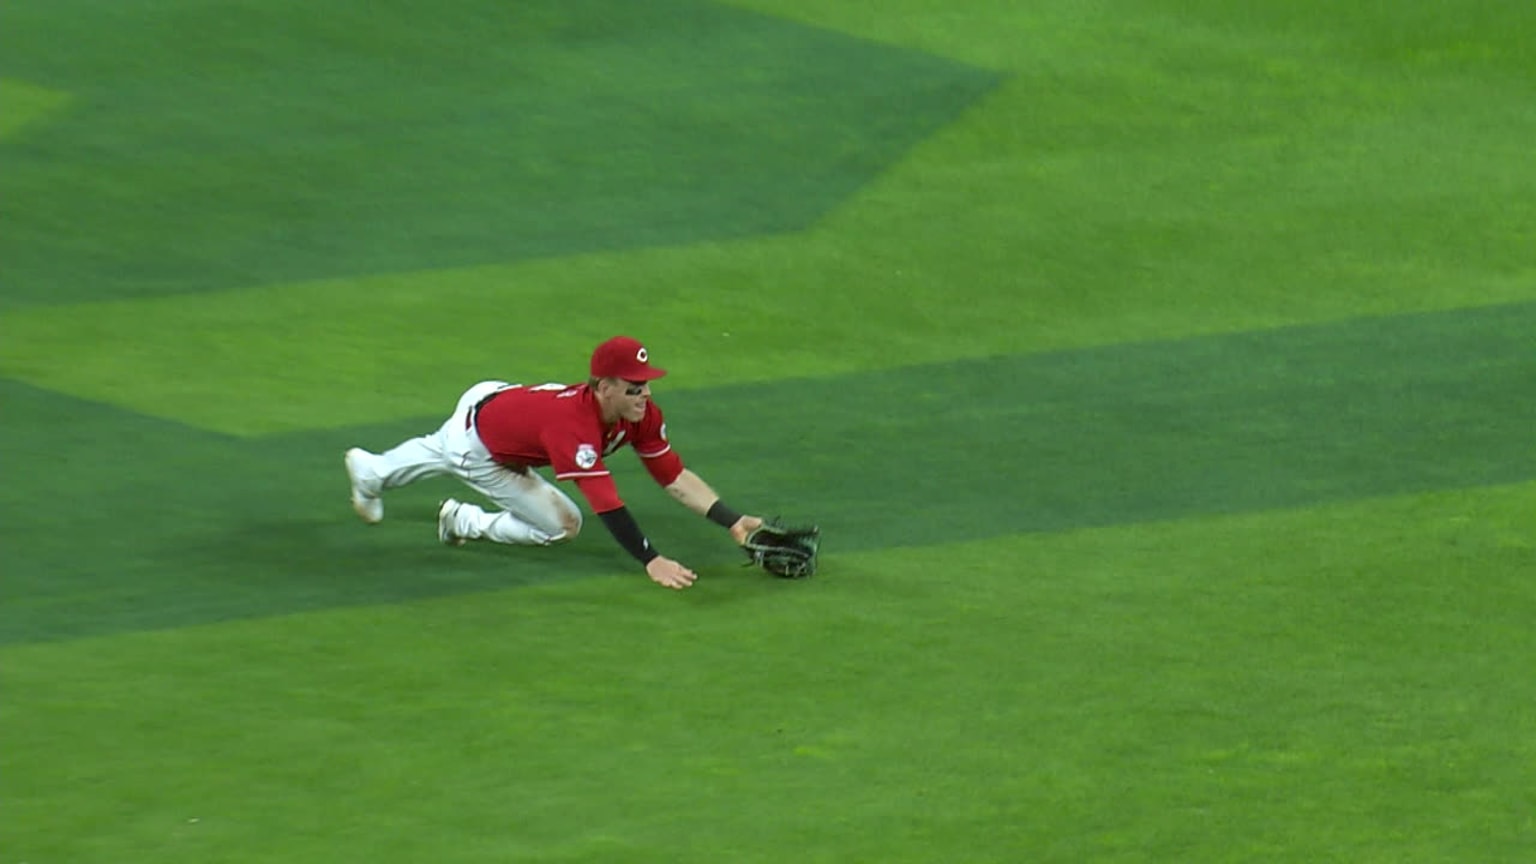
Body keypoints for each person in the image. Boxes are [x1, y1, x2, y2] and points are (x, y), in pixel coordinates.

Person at [342, 336, 764, 589]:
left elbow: (672, 475)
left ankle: (372, 471)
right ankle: (463, 521)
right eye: (635, 388)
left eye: (646, 385)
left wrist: (730, 519)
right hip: (482, 449)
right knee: (565, 524)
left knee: (437, 448)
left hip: (496, 400)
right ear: (603, 388)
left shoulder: (638, 414)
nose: (646, 396)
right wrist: (651, 559)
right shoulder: (574, 428)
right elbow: (606, 503)